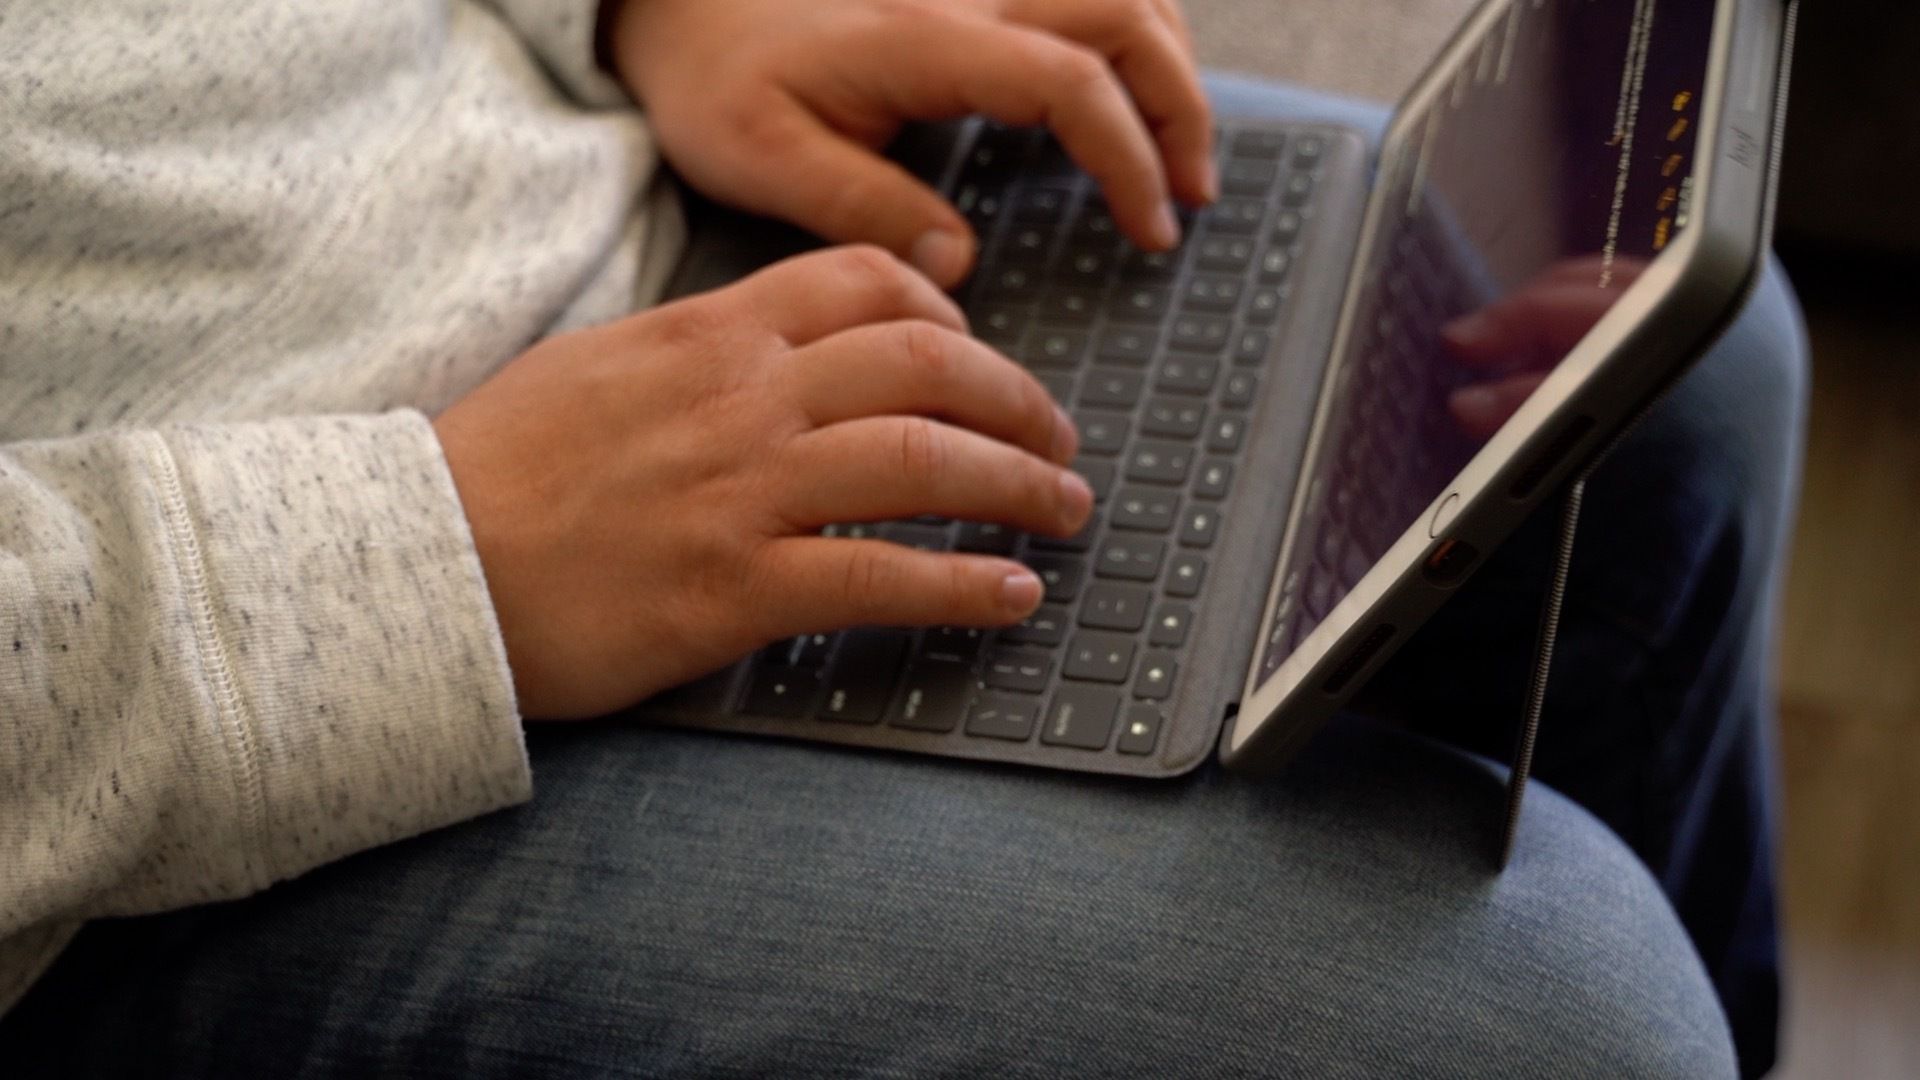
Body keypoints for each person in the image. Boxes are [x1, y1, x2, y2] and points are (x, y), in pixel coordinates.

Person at [0, 1, 1803, 1075]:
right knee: (1561, 1021)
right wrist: (429, 550)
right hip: (201, 730)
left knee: (1681, 384)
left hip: (622, 185)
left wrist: (636, 11)